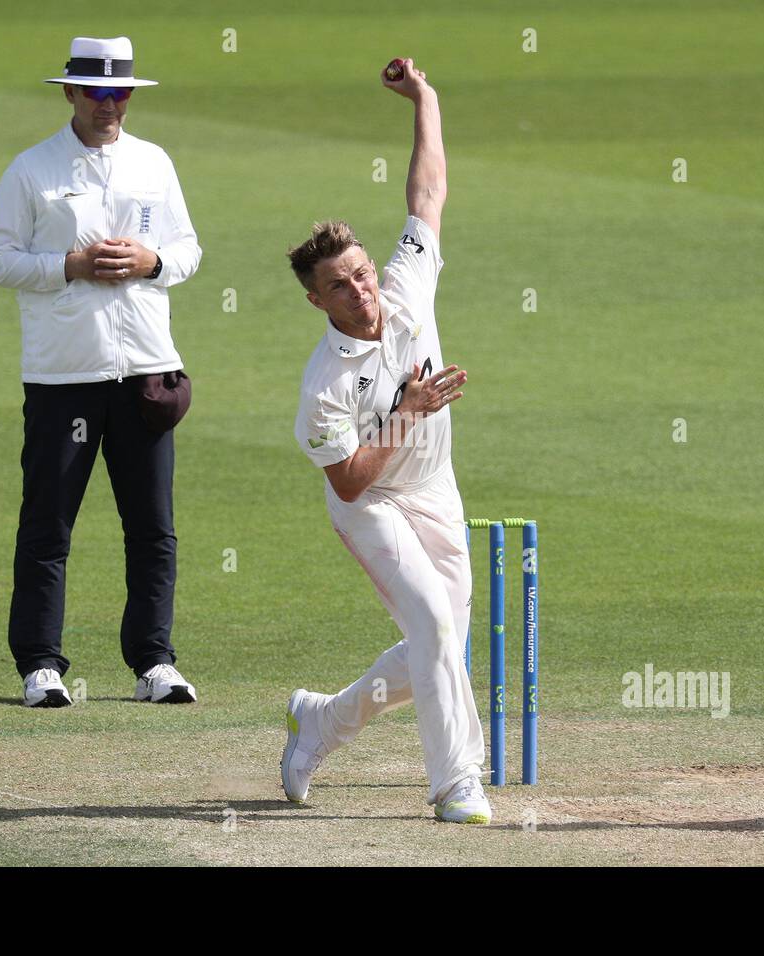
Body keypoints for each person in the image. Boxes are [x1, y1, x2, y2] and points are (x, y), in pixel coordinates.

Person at [282, 59, 491, 823]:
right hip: (371, 502)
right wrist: (405, 411)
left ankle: (323, 720)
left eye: (363, 273)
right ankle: (455, 784)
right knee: (434, 629)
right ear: (317, 300)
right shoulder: (323, 386)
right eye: (340, 285)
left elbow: (428, 191)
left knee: (436, 652)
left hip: (434, 489)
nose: (362, 291)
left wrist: (426, 98)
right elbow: (349, 483)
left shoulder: (406, 286)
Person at [0, 36, 202, 708]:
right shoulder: (33, 170)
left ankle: (154, 663)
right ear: (71, 93)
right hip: (63, 376)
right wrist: (66, 268)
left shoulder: (154, 163)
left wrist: (151, 262)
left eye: (121, 93)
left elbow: (189, 249)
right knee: (49, 523)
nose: (110, 106)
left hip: (146, 369)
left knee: (152, 526)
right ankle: (40, 664)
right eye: (97, 93)